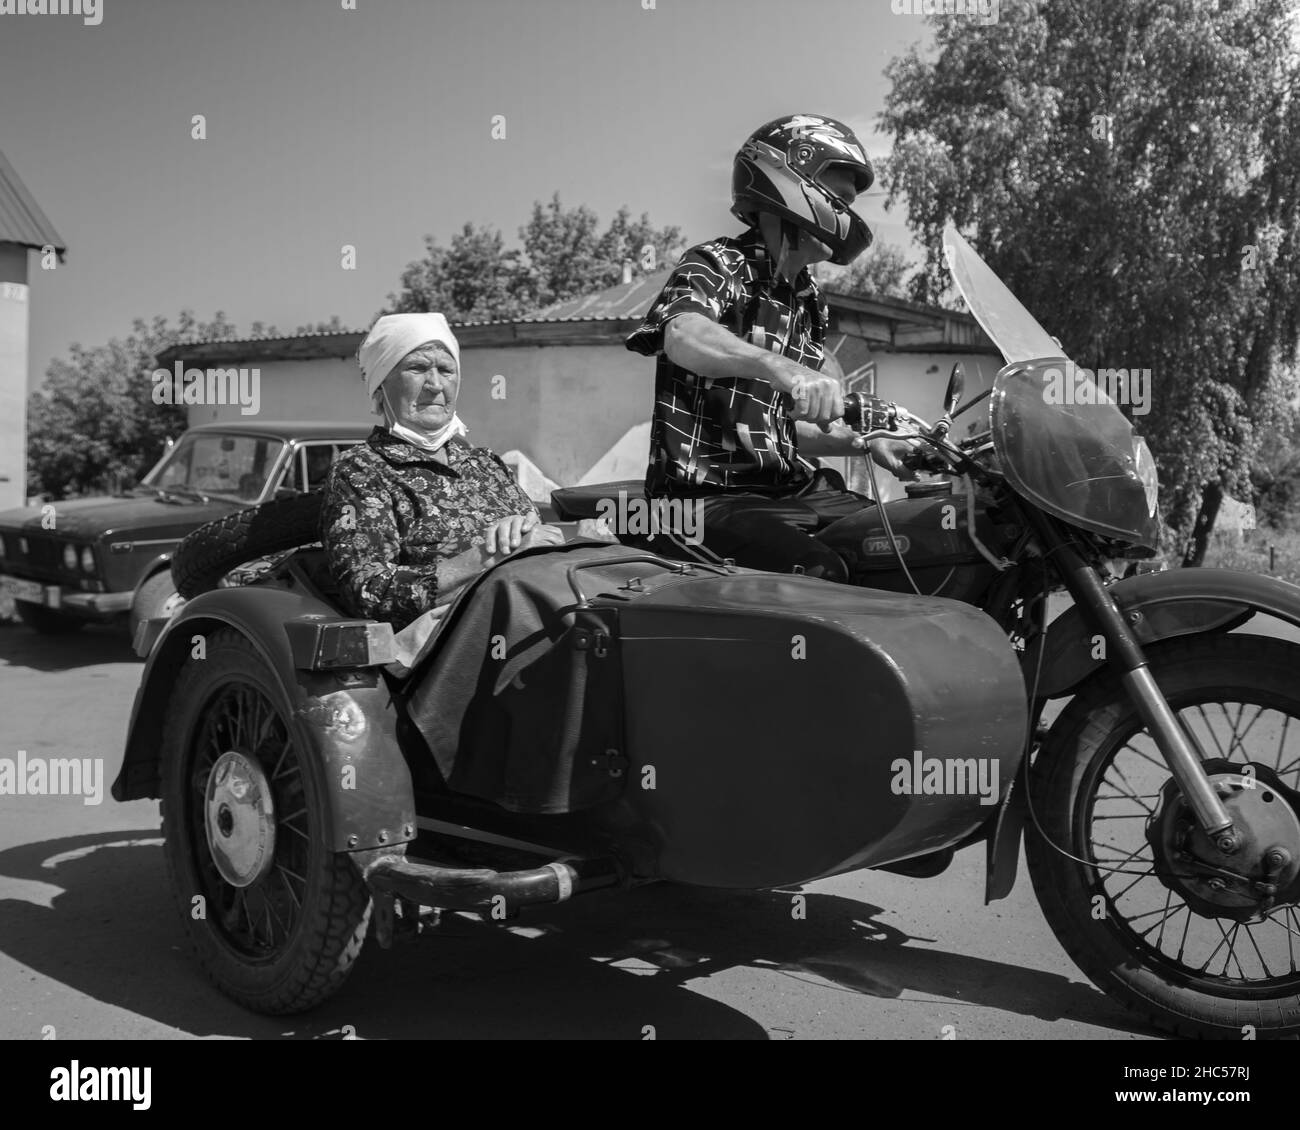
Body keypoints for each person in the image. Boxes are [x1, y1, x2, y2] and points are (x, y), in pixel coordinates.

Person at [626, 114, 922, 581]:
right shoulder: (718, 262)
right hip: (703, 501)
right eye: (840, 199)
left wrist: (867, 442)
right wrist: (780, 367)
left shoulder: (808, 302)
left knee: (904, 542)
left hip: (787, 490)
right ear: (791, 182)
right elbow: (682, 334)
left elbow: (782, 427)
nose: (848, 214)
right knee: (820, 571)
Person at [321, 312, 564, 633]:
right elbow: (368, 591)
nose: (435, 385)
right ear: (381, 385)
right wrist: (490, 556)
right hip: (457, 646)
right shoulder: (362, 470)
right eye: (417, 368)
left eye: (446, 370)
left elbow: (538, 541)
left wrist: (537, 536)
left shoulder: (485, 464)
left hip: (535, 614)